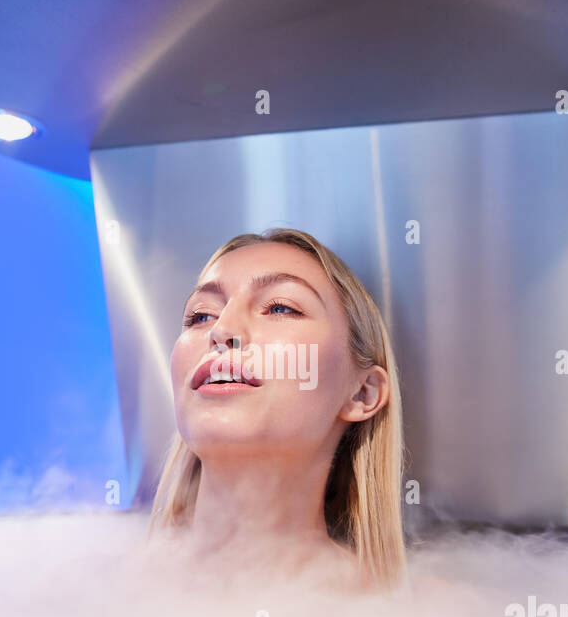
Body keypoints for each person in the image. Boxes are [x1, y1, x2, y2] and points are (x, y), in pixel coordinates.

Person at [147, 228, 407, 591]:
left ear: (362, 393)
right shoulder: (88, 593)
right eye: (201, 316)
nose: (222, 331)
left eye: (281, 307)